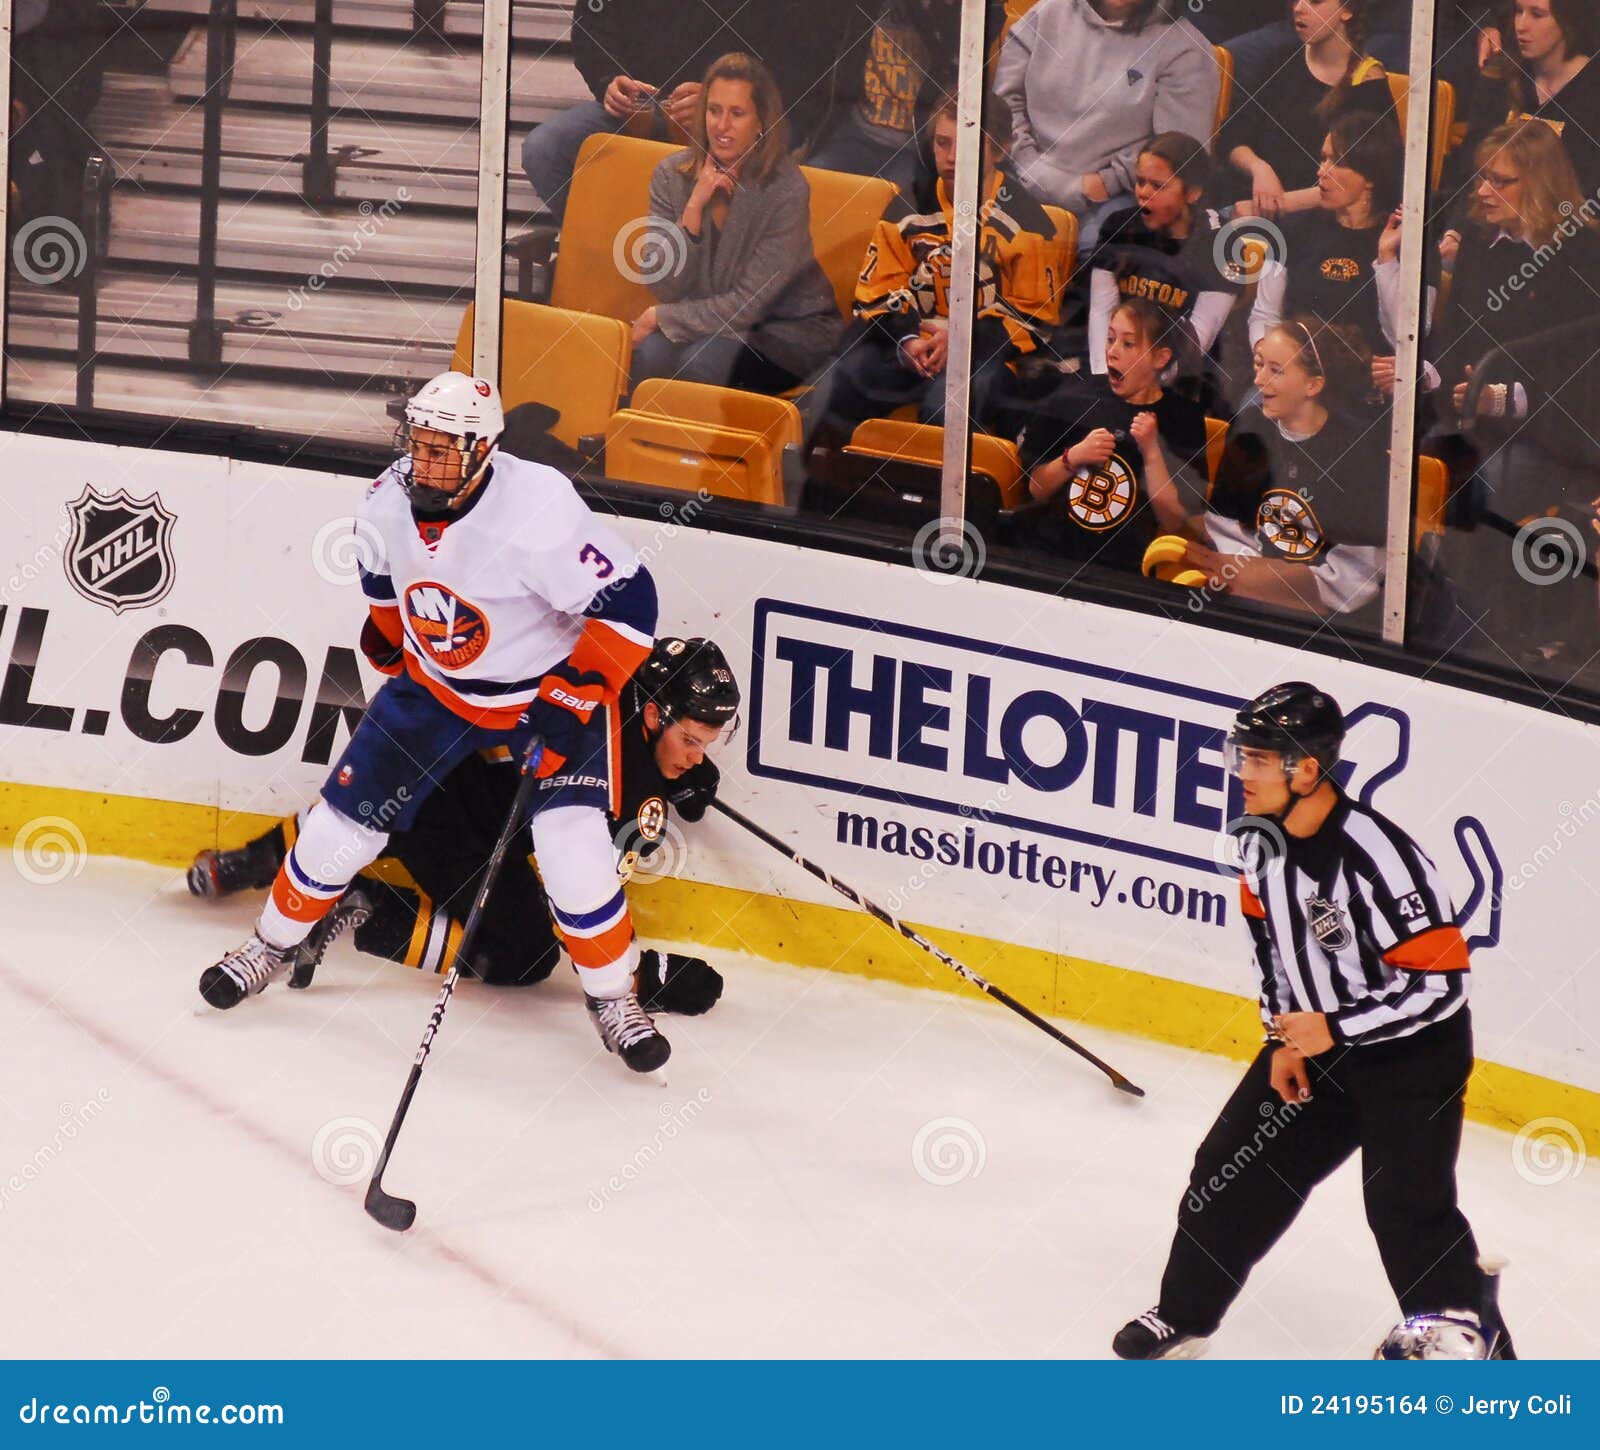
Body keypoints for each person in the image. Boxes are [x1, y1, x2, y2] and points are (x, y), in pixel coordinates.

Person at [196, 371, 672, 1074]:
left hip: (540, 693)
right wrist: (389, 632)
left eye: (443, 449)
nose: (425, 460)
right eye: (419, 443)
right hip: (438, 689)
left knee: (573, 848)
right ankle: (269, 945)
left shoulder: (536, 509)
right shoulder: (385, 498)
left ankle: (611, 997)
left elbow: (631, 605)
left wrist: (574, 696)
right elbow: (383, 588)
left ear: (483, 450)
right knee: (341, 828)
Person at [1113, 682, 1514, 1361]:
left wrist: (1338, 1029)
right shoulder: (1258, 845)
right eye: (1242, 755)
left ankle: (1466, 1334)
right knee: (1229, 1170)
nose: (1243, 772)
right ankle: (1187, 1316)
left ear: (1306, 769)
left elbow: (1442, 989)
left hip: (1411, 1061)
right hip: (1316, 1050)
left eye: (1258, 759)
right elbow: (1269, 947)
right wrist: (1282, 1038)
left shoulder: (1380, 859)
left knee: (1403, 1207)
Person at [188, 637, 739, 1019]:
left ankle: (268, 869)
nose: (695, 756)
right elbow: (583, 901)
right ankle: (358, 908)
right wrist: (646, 977)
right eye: (690, 740)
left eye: (704, 746)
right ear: (650, 714)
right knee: (523, 956)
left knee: (375, 808)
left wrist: (676, 773)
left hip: (453, 793)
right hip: (455, 817)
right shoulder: (627, 780)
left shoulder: (607, 700)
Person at [811, 97, 1064, 435]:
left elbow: (1035, 319)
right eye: (943, 143)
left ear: (1000, 150)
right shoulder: (908, 206)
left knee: (944, 410)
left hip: (984, 356)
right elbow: (877, 291)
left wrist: (961, 340)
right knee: (838, 384)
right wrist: (909, 339)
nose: (953, 157)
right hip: (913, 345)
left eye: (969, 146)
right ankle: (838, 482)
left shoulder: (1030, 222)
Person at [630, 53, 843, 394]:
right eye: (714, 111)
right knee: (649, 357)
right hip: (708, 325)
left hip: (784, 331)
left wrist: (664, 317)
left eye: (737, 113)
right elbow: (666, 287)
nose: (722, 125)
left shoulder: (785, 189)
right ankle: (646, 447)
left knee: (699, 364)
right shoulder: (671, 176)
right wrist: (693, 209)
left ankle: (698, 450)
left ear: (761, 122)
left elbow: (753, 304)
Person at [1152, 317, 1389, 622]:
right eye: (1260, 365)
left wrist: (1269, 581)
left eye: (1276, 370)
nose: (1260, 380)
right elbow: (1228, 524)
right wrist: (1245, 576)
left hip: (1328, 616)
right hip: (1249, 588)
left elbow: (1358, 575)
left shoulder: (1359, 449)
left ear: (1312, 385)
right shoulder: (1252, 426)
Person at [994, 0, 1220, 256]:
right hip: (1021, 170)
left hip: (1115, 195)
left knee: (1099, 252)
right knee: (971, 227)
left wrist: (1108, 181)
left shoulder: (1186, 49)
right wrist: (1027, 163)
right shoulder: (1047, 12)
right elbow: (1003, 105)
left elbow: (1178, 152)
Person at [1019, 297, 1209, 574]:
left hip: (1125, 571)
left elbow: (1173, 521)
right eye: (1110, 339)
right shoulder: (1072, 398)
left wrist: (1152, 451)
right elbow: (1036, 489)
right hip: (1051, 556)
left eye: (1127, 343)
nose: (1112, 352)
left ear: (1160, 357)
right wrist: (1072, 458)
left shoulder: (1183, 419)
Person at [1248, 112, 1423, 396]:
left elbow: (1406, 337)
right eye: (1324, 158)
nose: (1321, 171)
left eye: (1337, 162)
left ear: (1371, 177)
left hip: (1363, 387)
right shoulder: (1292, 229)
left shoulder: (1408, 242)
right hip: (1290, 379)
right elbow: (1265, 313)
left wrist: (1386, 258)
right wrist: (1264, 352)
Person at [1084, 132, 1243, 384]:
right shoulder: (1118, 226)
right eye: (1140, 181)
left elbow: (1201, 334)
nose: (1143, 193)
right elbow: (1101, 310)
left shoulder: (1222, 244)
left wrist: (1146, 383)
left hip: (1180, 375)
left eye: (1158, 186)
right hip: (1114, 365)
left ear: (1193, 193)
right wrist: (1106, 376)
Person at [1219, 0, 1397, 220]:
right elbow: (1233, 137)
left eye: (1315, 1)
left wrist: (1276, 205)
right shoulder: (1278, 60)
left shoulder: (1367, 85)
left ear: (1348, 11)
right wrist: (1259, 168)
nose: (1298, 8)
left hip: (1313, 219)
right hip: (1245, 199)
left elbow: (1363, 178)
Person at [1443, 0, 1600, 247]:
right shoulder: (1499, 80)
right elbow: (1473, 172)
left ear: (1568, 22)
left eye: (1537, 14)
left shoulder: (1593, 90)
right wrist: (1455, 231)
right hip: (1493, 231)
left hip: (1570, 242)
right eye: (1518, 11)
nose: (1521, 25)